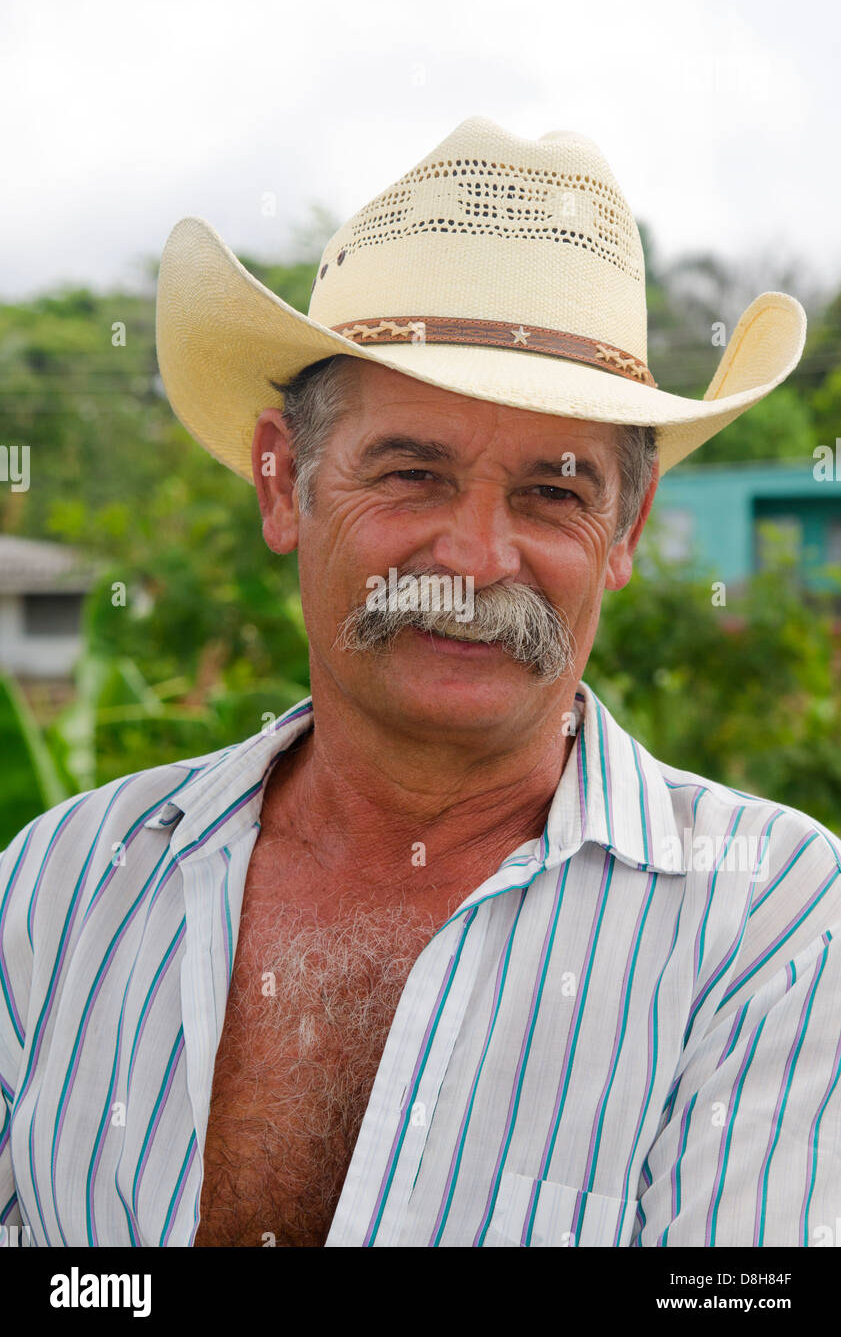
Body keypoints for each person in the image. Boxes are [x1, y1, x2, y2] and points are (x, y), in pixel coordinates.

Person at [1, 117, 838, 1249]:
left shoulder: (778, 925)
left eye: (553, 492)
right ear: (281, 483)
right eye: (411, 470)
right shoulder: (59, 892)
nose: (476, 558)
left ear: (627, 529)